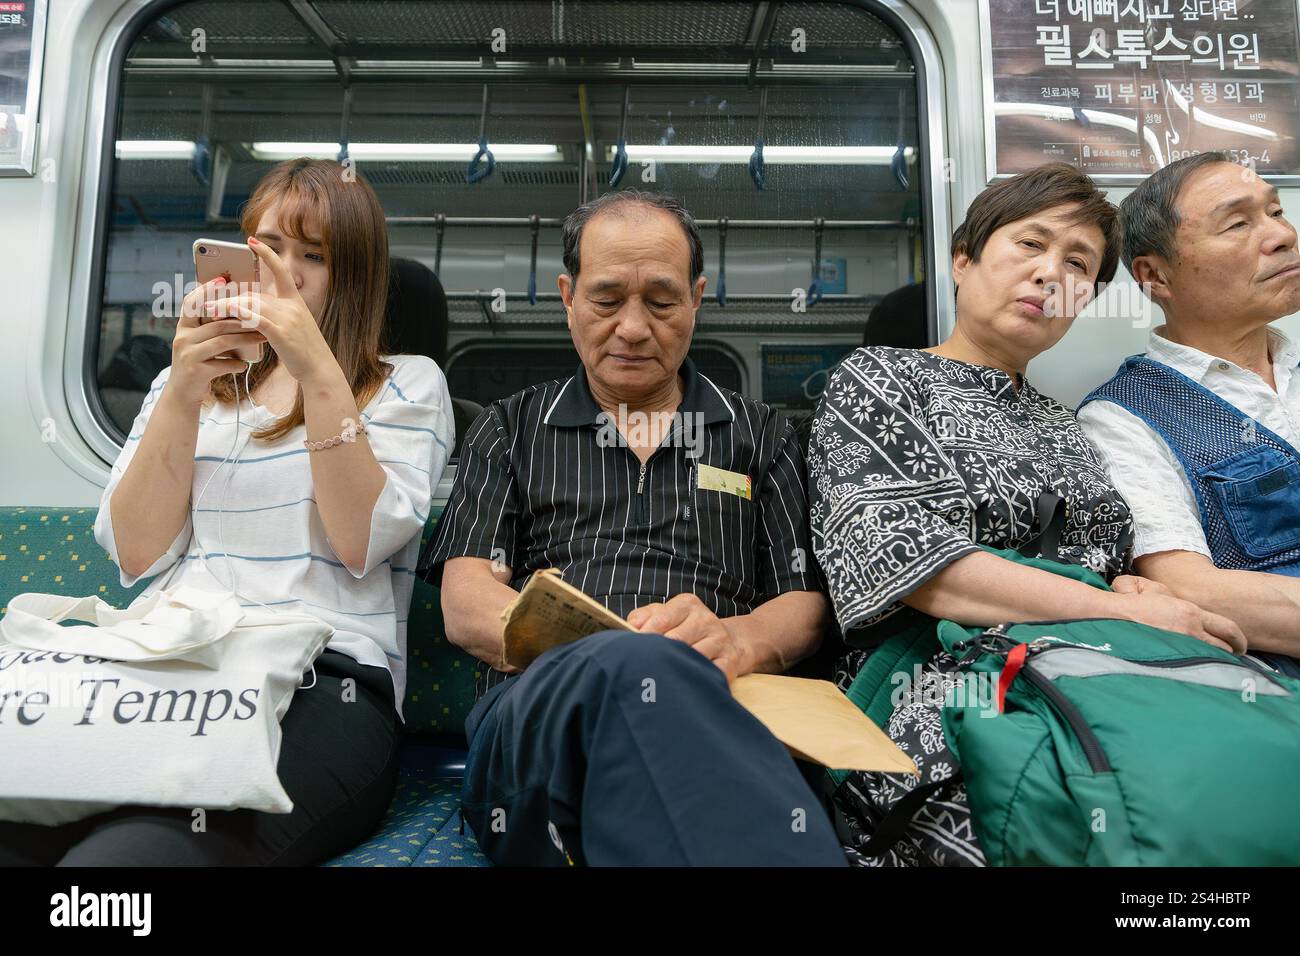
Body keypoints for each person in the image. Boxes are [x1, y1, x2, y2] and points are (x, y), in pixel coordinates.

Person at [0, 158, 453, 865]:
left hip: (319, 684)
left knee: (134, 858)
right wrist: (182, 389)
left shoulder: (404, 384)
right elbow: (137, 554)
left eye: (315, 257)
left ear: (354, 276)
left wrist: (316, 372)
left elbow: (363, 542)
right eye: (268, 250)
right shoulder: (186, 382)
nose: (287, 273)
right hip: (167, 667)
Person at [806, 162, 1243, 866]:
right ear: (962, 259)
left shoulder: (1068, 425)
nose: (1050, 275)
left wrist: (1134, 586)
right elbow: (921, 568)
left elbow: (1104, 562)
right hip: (944, 690)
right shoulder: (881, 379)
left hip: (1089, 674)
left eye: (1078, 265)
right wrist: (1122, 610)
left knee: (1223, 792)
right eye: (1029, 245)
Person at [420, 189, 845, 866]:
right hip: (540, 710)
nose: (633, 327)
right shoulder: (510, 430)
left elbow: (801, 600)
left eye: (661, 300)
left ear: (697, 298)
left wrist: (735, 639)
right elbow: (467, 604)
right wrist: (603, 646)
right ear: (567, 296)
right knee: (639, 666)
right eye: (607, 299)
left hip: (720, 699)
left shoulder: (762, 435)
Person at [1078, 151, 1300, 677]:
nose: (1281, 235)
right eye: (1238, 223)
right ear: (1155, 276)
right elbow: (1189, 589)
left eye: (1274, 212)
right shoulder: (1123, 417)